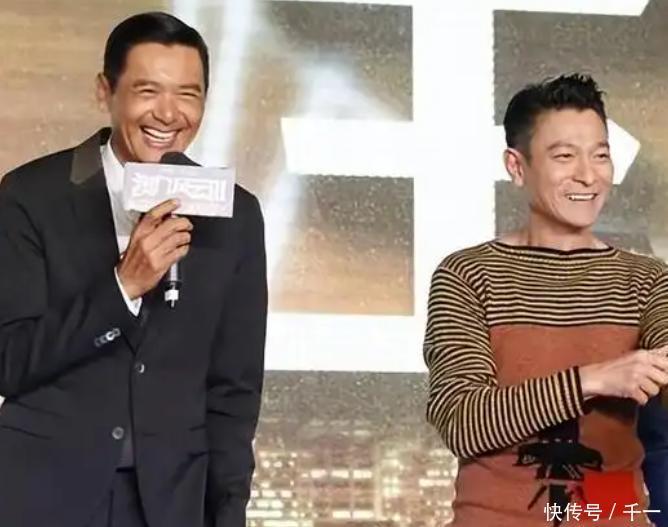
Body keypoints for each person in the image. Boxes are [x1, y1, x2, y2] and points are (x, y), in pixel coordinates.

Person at [0, 12, 266, 527]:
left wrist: (228, 511)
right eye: (148, 91)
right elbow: (9, 359)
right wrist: (122, 287)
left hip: (171, 505)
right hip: (42, 496)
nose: (167, 113)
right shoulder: (30, 195)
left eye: (187, 95)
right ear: (106, 90)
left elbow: (234, 390)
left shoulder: (235, 215)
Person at [423, 73, 668, 526]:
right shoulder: (468, 274)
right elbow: (462, 421)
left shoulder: (647, 280)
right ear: (517, 167)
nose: (588, 175)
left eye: (600, 155)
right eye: (564, 156)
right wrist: (592, 380)